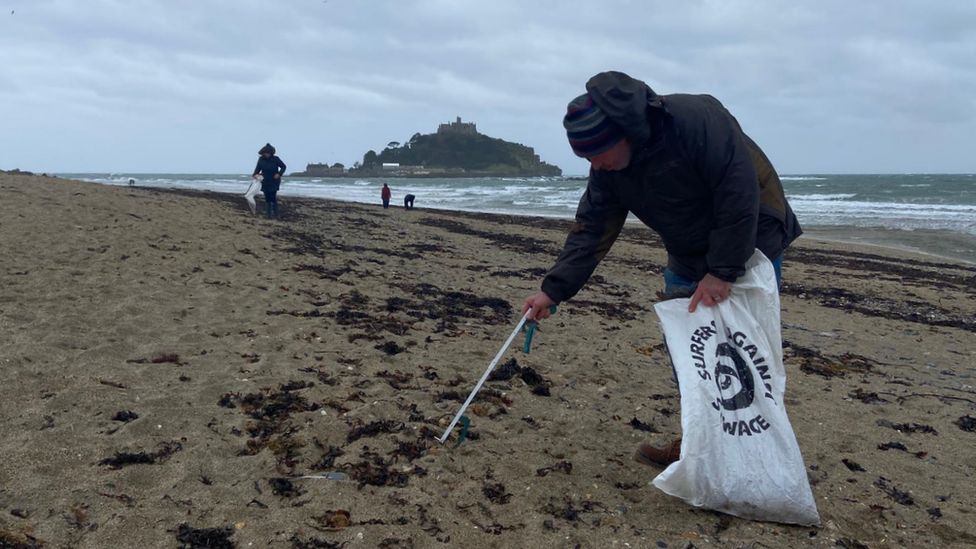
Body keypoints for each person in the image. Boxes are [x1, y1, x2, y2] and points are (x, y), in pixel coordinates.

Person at [521, 71, 801, 467]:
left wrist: (722, 271)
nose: (594, 165)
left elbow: (738, 192)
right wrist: (554, 290)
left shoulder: (696, 120)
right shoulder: (608, 171)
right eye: (586, 158)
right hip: (687, 252)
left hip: (753, 238)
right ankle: (698, 444)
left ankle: (760, 453)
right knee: (693, 352)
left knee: (748, 351)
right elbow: (592, 228)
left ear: (625, 133)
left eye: (597, 154)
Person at [252, 143, 286, 218]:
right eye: (265, 153)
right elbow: (256, 171)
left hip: (274, 181)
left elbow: (283, 167)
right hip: (265, 181)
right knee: (267, 198)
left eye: (268, 153)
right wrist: (255, 175)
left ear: (271, 153)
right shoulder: (261, 160)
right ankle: (268, 215)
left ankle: (276, 215)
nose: (266, 154)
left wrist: (279, 174)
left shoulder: (276, 159)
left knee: (273, 197)